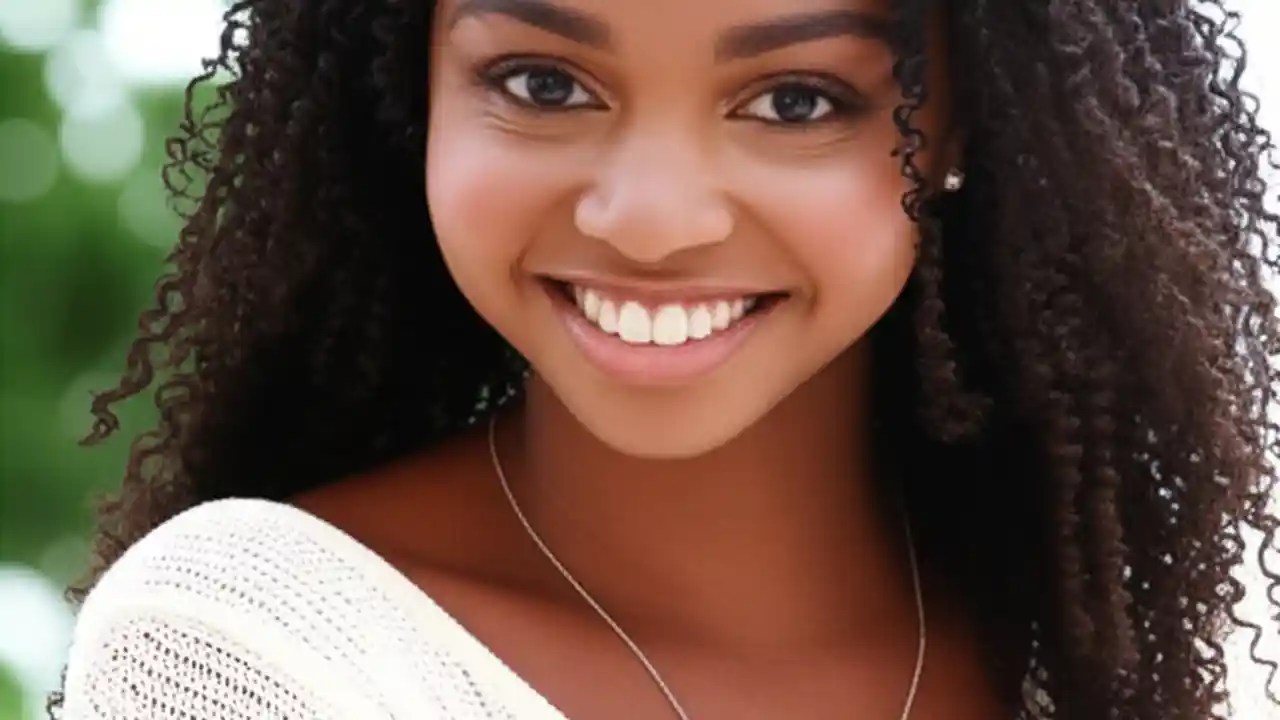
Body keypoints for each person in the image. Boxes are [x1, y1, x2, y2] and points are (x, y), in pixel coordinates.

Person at [45, 0, 1280, 717]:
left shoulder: (1130, 656)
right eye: (541, 81)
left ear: (962, 122)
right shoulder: (253, 652)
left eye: (794, 101)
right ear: (413, 84)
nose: (647, 217)